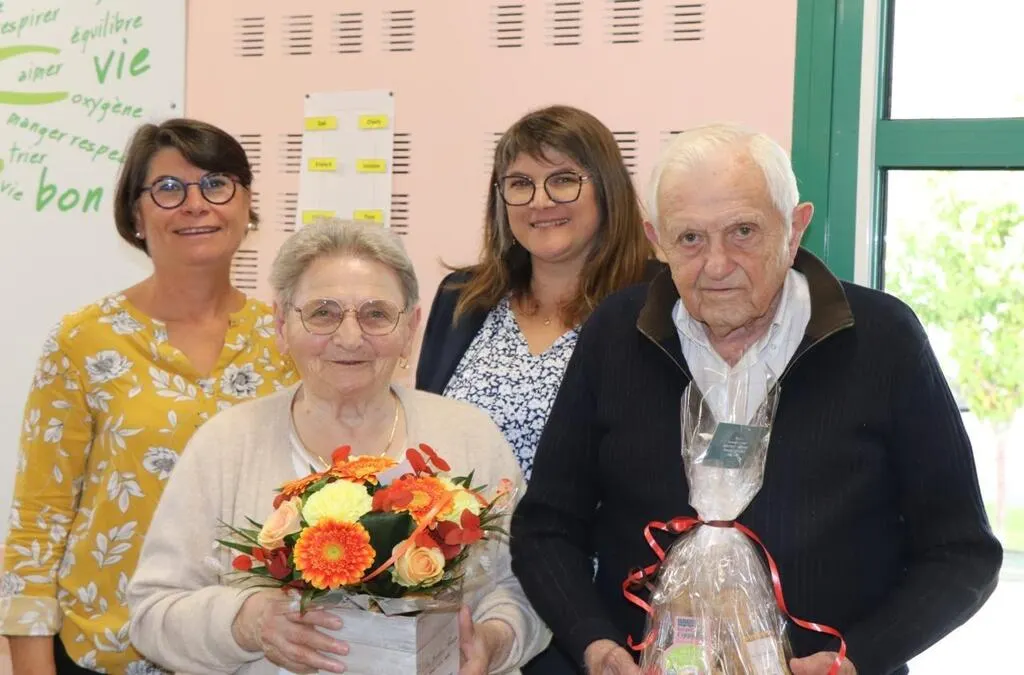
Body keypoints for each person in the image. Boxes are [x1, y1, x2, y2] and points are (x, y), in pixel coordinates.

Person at [510, 123, 1002, 675]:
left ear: (794, 229)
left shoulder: (883, 339)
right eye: (690, 239)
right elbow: (546, 526)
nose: (717, 265)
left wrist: (858, 658)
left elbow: (962, 553)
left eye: (743, 231)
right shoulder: (616, 334)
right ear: (657, 239)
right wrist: (594, 642)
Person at [126, 219, 550, 674]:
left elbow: (529, 588)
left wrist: (493, 642)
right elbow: (152, 613)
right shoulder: (225, 444)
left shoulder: (469, 436)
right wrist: (246, 623)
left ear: (410, 329)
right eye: (323, 313)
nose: (350, 337)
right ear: (282, 325)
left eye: (376, 314)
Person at [0, 118, 298, 674]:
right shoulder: (84, 340)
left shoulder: (288, 342)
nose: (195, 204)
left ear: (246, 204)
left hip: (250, 652)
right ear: (136, 216)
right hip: (108, 649)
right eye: (168, 188)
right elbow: (39, 520)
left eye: (217, 184)